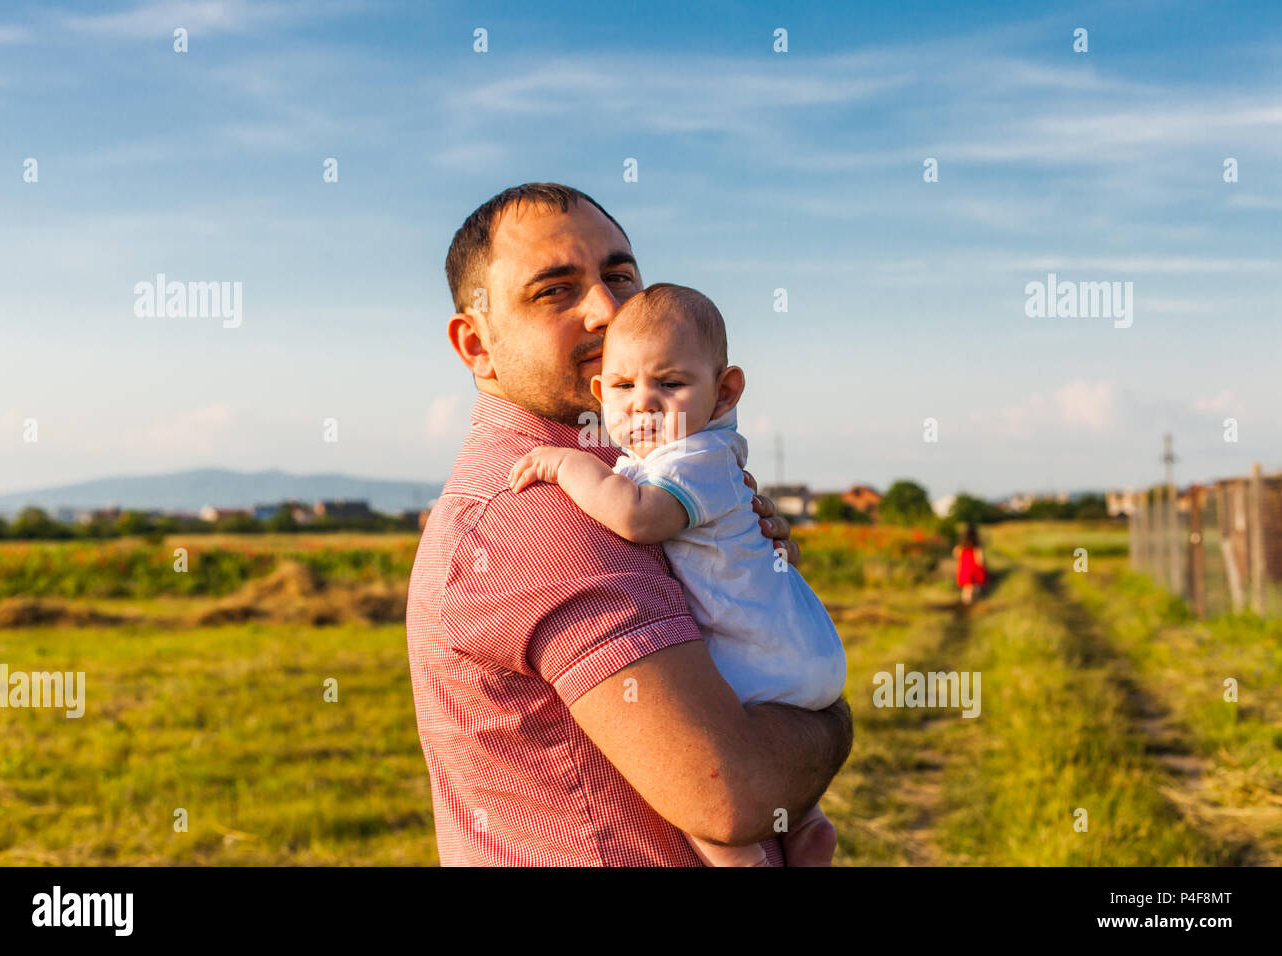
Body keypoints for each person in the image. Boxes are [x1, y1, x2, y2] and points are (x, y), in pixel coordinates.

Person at [406, 183, 852, 865]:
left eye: (618, 275)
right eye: (554, 291)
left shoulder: (634, 469)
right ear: (476, 346)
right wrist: (828, 716)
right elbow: (732, 792)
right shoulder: (542, 509)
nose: (608, 310)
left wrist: (749, 564)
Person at [509, 283, 845, 866]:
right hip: (788, 653)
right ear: (600, 392)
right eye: (622, 386)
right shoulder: (686, 456)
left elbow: (639, 518)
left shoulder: (696, 459)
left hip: (762, 660)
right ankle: (805, 829)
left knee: (702, 804)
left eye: (670, 383)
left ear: (724, 392)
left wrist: (569, 464)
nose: (642, 403)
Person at [953, 522, 987, 605]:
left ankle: (966, 604)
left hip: (963, 568)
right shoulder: (976, 546)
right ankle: (971, 604)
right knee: (974, 588)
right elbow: (979, 560)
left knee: (966, 589)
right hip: (973, 569)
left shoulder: (961, 546)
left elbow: (955, 554)